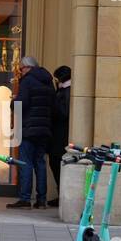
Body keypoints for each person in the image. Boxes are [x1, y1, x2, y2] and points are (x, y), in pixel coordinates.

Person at [8, 55, 56, 210]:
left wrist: (13, 101)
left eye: (21, 69)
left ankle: (25, 199)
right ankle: (41, 200)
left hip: (28, 127)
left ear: (27, 67)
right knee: (40, 163)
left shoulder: (27, 81)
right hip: (44, 128)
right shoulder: (48, 81)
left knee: (26, 162)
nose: (21, 72)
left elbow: (22, 103)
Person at [48, 65, 72, 206]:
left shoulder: (65, 92)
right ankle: (60, 194)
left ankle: (61, 195)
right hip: (58, 133)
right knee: (55, 163)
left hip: (60, 134)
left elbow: (63, 113)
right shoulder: (63, 91)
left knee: (56, 163)